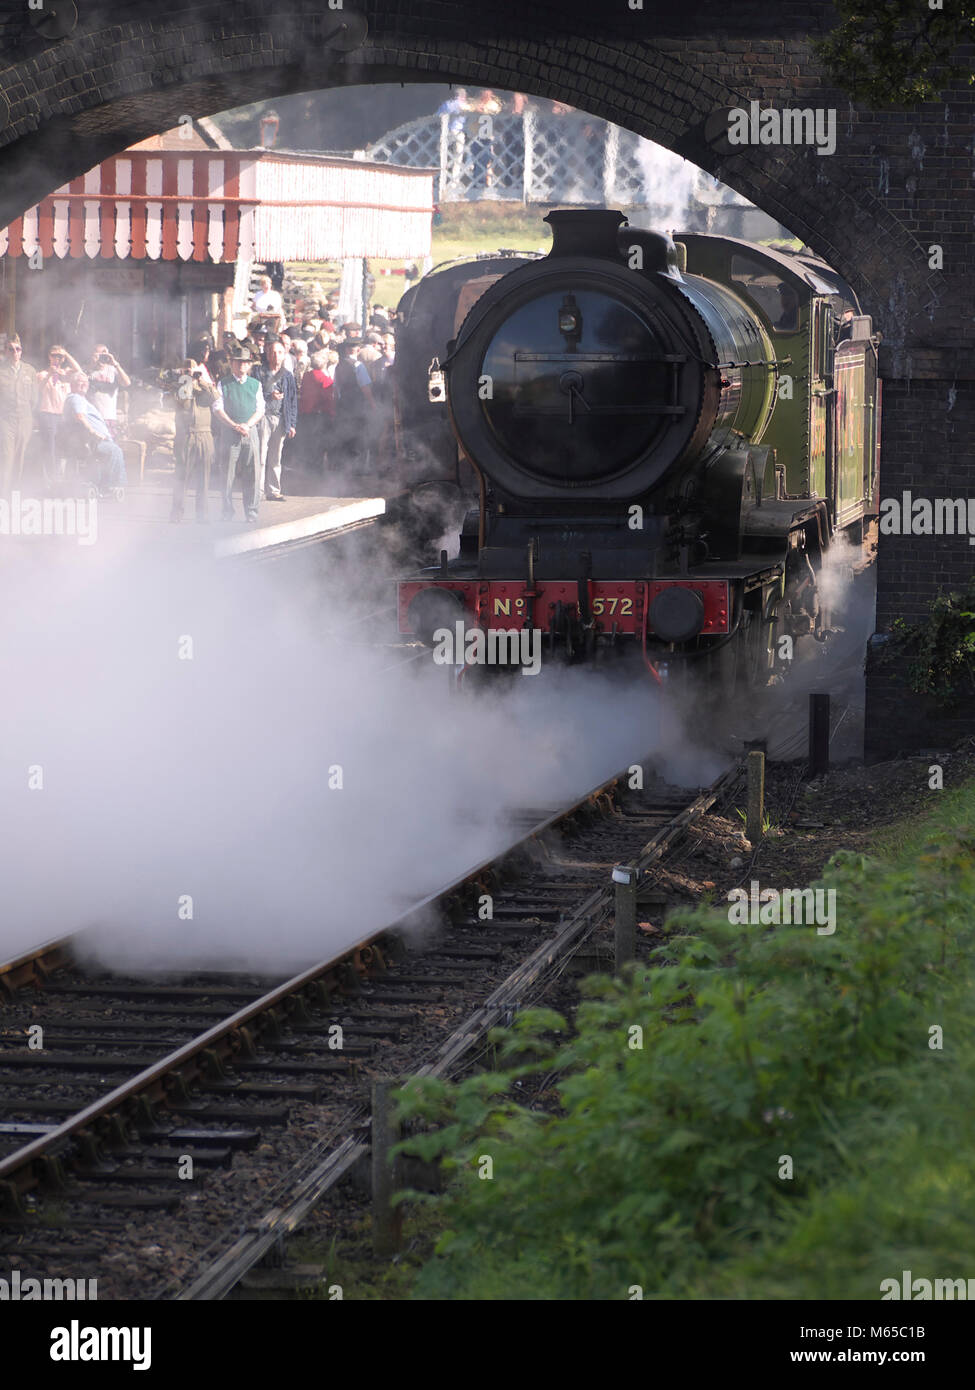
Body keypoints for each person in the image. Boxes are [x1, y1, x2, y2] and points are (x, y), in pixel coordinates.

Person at [211, 345, 264, 522]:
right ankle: (227, 512)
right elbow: (217, 408)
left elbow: (260, 409)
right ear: (232, 364)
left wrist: (247, 426)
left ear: (250, 365)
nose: (242, 365)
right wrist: (234, 425)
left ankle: (251, 512)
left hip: (250, 432)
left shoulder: (255, 384)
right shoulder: (223, 383)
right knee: (227, 474)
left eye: (246, 362)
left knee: (253, 473)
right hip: (230, 432)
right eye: (238, 362)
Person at [61, 372, 126, 497]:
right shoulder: (75, 398)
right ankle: (110, 486)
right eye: (80, 381)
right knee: (115, 451)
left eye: (86, 381)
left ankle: (101, 483)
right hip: (91, 440)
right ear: (72, 384)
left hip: (93, 440)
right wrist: (93, 432)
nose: (84, 383)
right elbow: (79, 416)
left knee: (110, 452)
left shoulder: (81, 399)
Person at [170, 358, 217, 523]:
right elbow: (181, 403)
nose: (190, 372)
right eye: (187, 370)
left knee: (204, 479)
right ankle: (176, 514)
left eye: (192, 369)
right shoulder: (180, 386)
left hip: (205, 434)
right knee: (182, 477)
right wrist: (188, 381)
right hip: (187, 435)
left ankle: (202, 515)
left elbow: (215, 397)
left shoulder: (204, 385)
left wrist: (201, 380)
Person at [255, 335, 297, 502]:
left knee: (275, 457)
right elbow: (254, 395)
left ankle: (273, 490)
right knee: (260, 456)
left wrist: (292, 423)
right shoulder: (259, 372)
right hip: (263, 417)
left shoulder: (287, 376)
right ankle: (257, 491)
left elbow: (293, 401)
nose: (276, 356)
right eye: (273, 352)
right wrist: (269, 395)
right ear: (267, 353)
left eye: (280, 352)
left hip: (280, 418)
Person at [35, 344, 81, 490]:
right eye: (55, 355)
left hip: (63, 416)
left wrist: (66, 354)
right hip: (48, 414)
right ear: (49, 357)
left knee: (63, 448)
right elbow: (38, 390)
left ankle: (61, 479)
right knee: (50, 449)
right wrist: (50, 374)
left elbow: (79, 371)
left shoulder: (66, 373)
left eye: (60, 356)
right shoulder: (41, 374)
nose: (57, 358)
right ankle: (49, 481)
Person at [0, 334, 38, 495]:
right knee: (6, 455)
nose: (15, 352)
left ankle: (15, 492)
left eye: (18, 349)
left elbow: (34, 398)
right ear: (6, 352)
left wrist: (29, 416)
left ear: (21, 351)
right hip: (6, 418)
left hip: (24, 418)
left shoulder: (30, 370)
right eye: (11, 349)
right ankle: (3, 492)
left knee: (20, 455)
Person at [296, 348, 336, 478]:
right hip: (319, 415)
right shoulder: (325, 380)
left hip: (306, 415)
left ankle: (308, 470)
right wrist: (332, 414)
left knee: (308, 443)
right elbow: (329, 400)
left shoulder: (307, 376)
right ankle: (317, 472)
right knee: (319, 445)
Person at [87, 344, 131, 438]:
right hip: (92, 416)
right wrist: (92, 365)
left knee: (110, 444)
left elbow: (127, 383)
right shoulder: (88, 370)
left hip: (109, 416)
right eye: (98, 354)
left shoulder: (113, 370)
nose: (101, 357)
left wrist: (115, 363)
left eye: (104, 354)